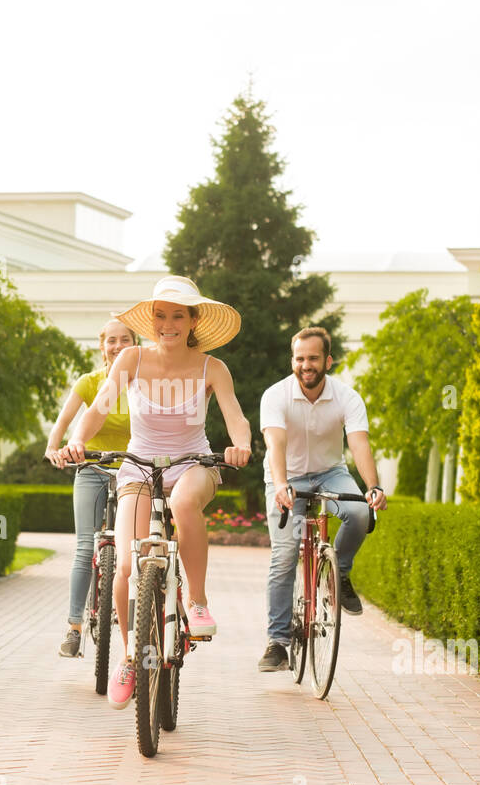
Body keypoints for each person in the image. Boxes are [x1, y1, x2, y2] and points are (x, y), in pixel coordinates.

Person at [60, 276, 250, 708]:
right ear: (151, 321)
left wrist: (240, 445)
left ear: (192, 320)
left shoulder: (211, 367)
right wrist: (77, 440)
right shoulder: (131, 358)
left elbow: (235, 416)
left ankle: (197, 603)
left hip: (193, 464)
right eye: (161, 315)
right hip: (139, 466)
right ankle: (129, 657)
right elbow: (100, 407)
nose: (168, 324)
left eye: (178, 315)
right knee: (126, 564)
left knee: (184, 503)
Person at [258, 326, 387, 671]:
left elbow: (359, 443)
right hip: (287, 476)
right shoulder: (276, 395)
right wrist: (282, 484)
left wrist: (373, 486)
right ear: (293, 361)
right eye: (299, 358)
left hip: (330, 471)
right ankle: (277, 642)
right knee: (285, 554)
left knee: (360, 513)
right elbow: (276, 444)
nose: (306, 365)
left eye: (313, 358)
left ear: (327, 360)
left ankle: (339, 573)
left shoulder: (347, 397)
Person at [44, 318, 136, 657]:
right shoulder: (90, 382)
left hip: (132, 472)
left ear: (134, 344)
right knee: (85, 547)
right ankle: (74, 628)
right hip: (92, 469)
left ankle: (139, 620)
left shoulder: (143, 382)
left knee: (138, 551)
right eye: (111, 340)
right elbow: (64, 421)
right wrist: (54, 446)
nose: (117, 346)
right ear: (102, 346)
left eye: (124, 339)